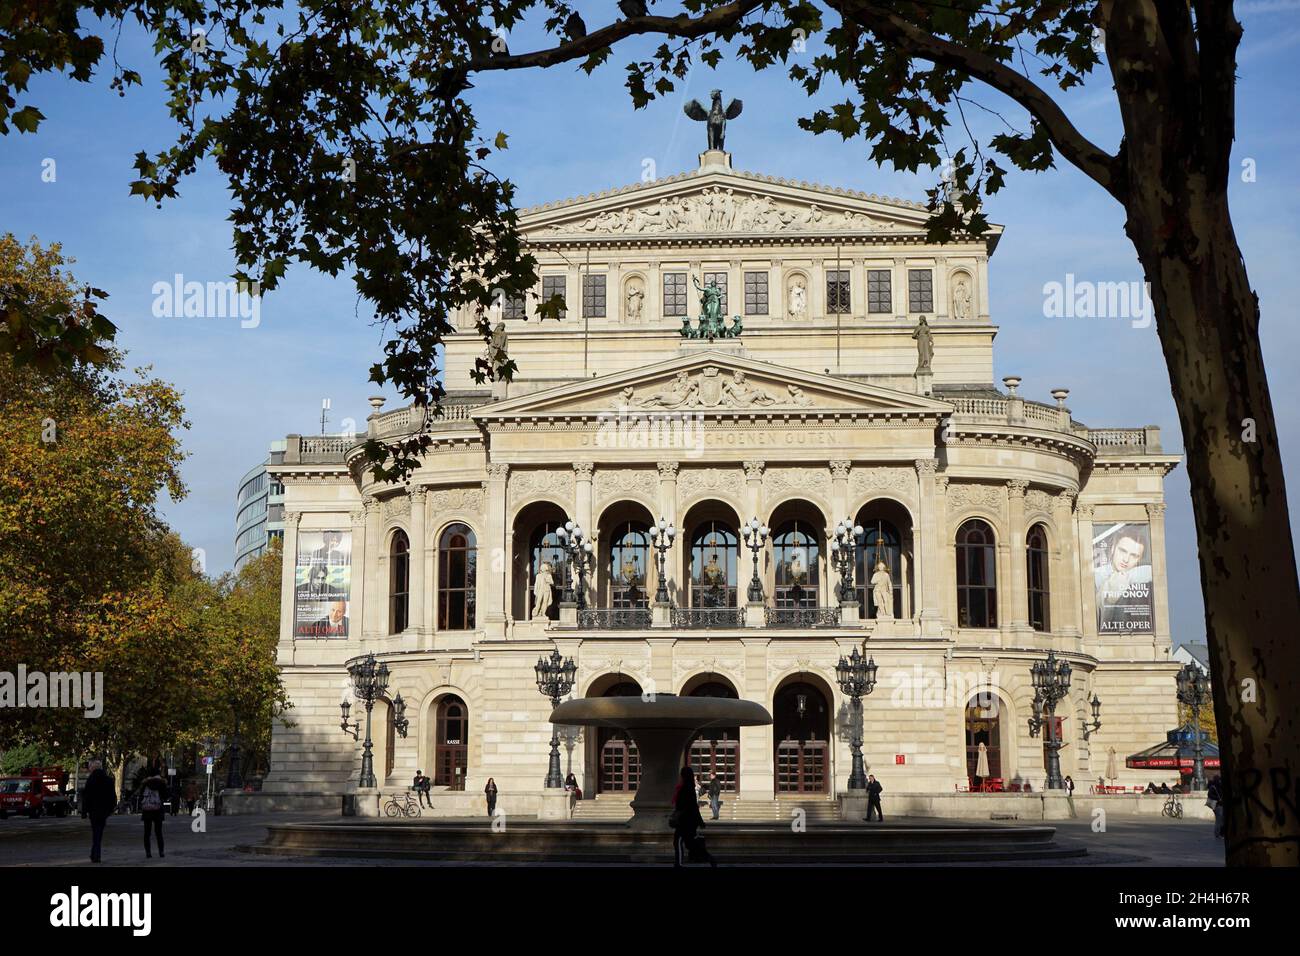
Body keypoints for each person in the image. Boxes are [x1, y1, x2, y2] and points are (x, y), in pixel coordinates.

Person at [672, 766, 714, 867]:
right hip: (688, 821)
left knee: (679, 841)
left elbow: (693, 806)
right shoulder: (688, 786)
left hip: (685, 821)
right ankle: (708, 858)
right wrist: (700, 821)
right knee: (689, 843)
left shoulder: (687, 788)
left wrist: (699, 821)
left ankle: (679, 863)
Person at [82, 760, 116, 864]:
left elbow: (86, 797)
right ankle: (95, 854)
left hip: (93, 810)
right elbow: (113, 797)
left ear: (92, 768)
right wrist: (111, 809)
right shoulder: (109, 780)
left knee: (96, 832)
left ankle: (95, 854)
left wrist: (84, 811)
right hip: (104, 810)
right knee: (99, 832)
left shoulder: (90, 780)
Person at [139, 771, 168, 859]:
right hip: (158, 810)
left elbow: (141, 795)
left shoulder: (145, 783)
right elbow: (165, 796)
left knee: (147, 833)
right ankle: (161, 852)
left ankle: (148, 852)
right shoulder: (161, 784)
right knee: (158, 832)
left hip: (147, 811)